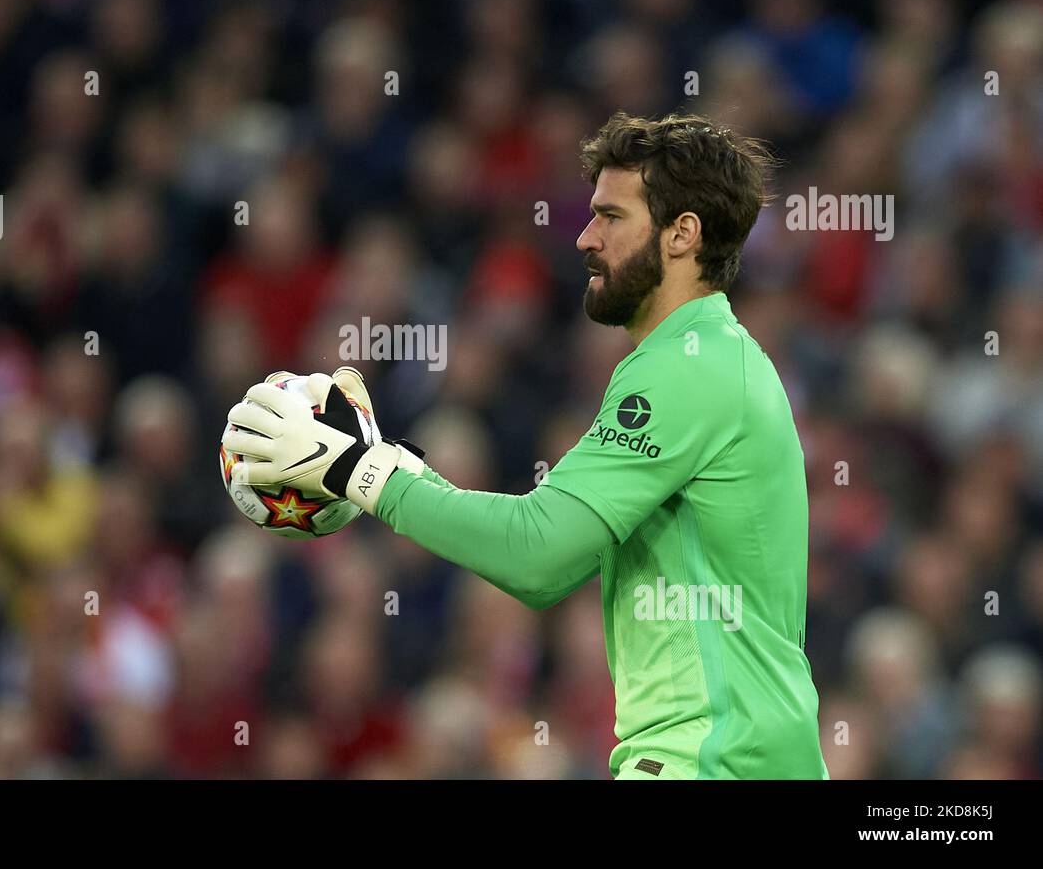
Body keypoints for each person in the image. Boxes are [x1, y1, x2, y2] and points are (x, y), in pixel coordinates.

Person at [222, 111, 829, 780]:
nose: (584, 237)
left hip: (712, 763)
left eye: (611, 217)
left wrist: (362, 470)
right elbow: (556, 567)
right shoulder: (714, 359)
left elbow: (534, 553)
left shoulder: (687, 368)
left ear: (683, 234)